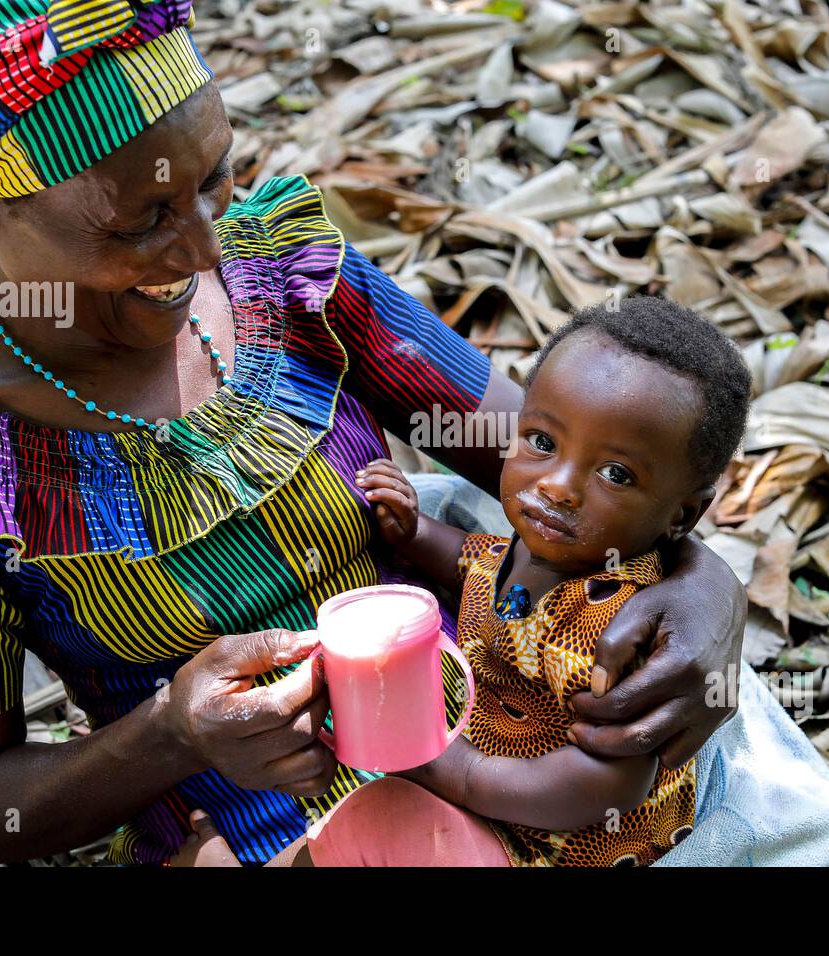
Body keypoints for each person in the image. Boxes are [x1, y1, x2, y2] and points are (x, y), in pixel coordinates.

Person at [0, 0, 757, 867]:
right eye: (142, 220)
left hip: (517, 758)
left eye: (214, 178)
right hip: (272, 840)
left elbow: (580, 463)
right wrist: (170, 733)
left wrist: (707, 589)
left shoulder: (291, 281)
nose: (204, 248)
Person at [293, 297, 754, 866]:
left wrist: (465, 773)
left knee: (371, 825)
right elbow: (473, 563)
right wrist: (411, 534)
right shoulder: (540, 552)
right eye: (542, 441)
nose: (559, 485)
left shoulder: (613, 623)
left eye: (616, 474)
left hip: (559, 845)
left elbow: (612, 781)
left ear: (682, 516)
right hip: (499, 802)